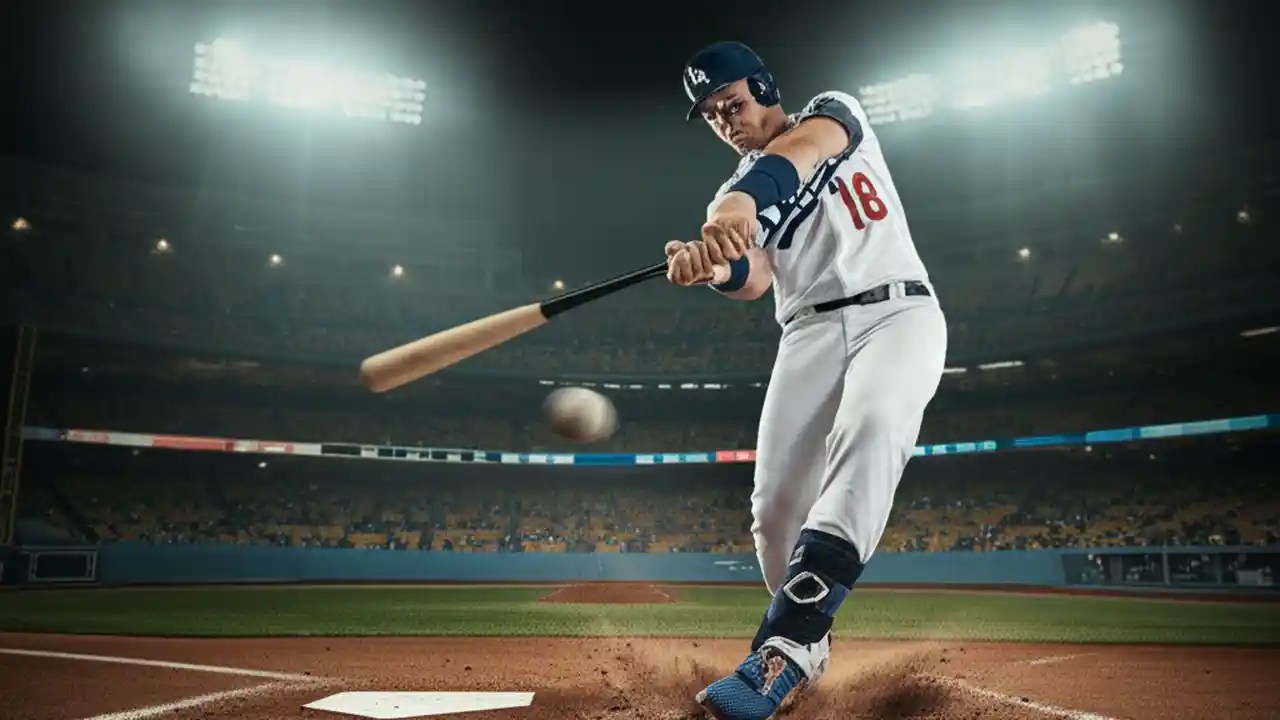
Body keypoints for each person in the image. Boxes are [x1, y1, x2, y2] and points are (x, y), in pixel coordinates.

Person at [665, 41, 948, 719]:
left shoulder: (831, 112)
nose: (725, 119)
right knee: (773, 515)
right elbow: (753, 276)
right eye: (711, 113)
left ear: (764, 88)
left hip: (897, 311)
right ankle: (811, 644)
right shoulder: (729, 193)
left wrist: (737, 207)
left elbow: (799, 155)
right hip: (808, 332)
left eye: (732, 101)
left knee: (872, 424)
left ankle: (785, 646)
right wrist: (712, 267)